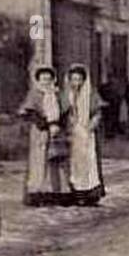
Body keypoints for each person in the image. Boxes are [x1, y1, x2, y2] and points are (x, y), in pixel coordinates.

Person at [18, 66, 71, 206]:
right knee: (39, 161)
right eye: (43, 79)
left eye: (49, 79)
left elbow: (66, 111)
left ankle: (57, 193)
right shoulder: (34, 94)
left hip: (57, 133)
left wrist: (58, 124)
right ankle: (36, 193)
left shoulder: (59, 94)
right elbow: (28, 112)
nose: (46, 82)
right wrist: (44, 123)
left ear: (53, 80)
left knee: (57, 162)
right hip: (40, 132)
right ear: (38, 80)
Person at [62, 63, 106, 206]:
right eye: (73, 79)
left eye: (79, 79)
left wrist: (90, 125)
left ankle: (90, 193)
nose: (76, 83)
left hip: (87, 133)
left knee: (89, 163)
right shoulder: (65, 95)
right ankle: (75, 192)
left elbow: (97, 112)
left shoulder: (90, 94)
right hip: (71, 134)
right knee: (73, 164)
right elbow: (60, 112)